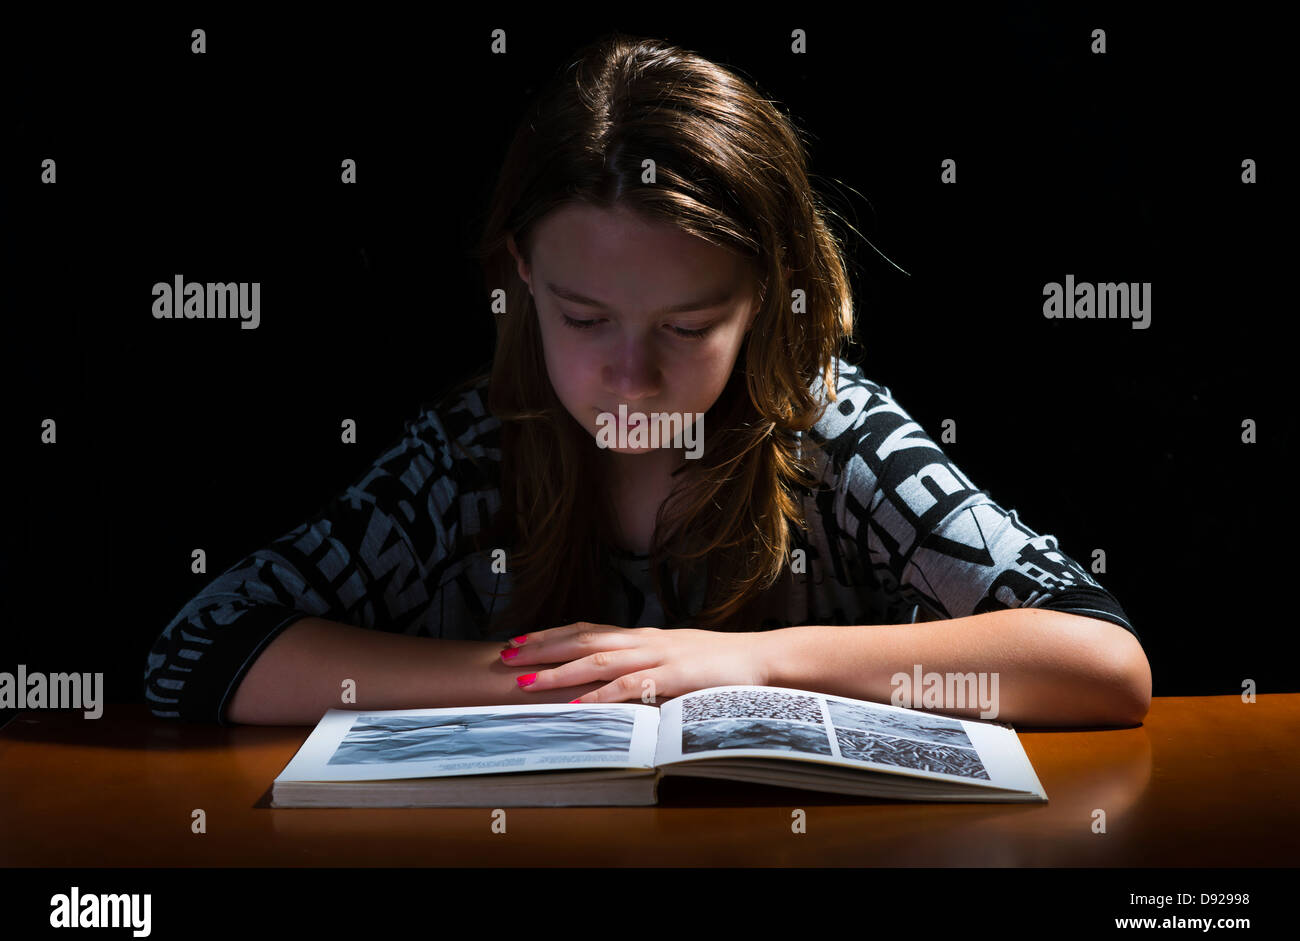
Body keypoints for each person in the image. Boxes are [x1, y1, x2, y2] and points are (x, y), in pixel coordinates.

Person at [143, 33, 1150, 728]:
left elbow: (1101, 661)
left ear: (768, 298)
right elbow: (197, 655)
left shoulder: (826, 431)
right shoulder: (472, 450)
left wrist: (746, 666)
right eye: (585, 320)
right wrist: (541, 683)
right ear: (523, 277)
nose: (630, 375)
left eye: (688, 325)